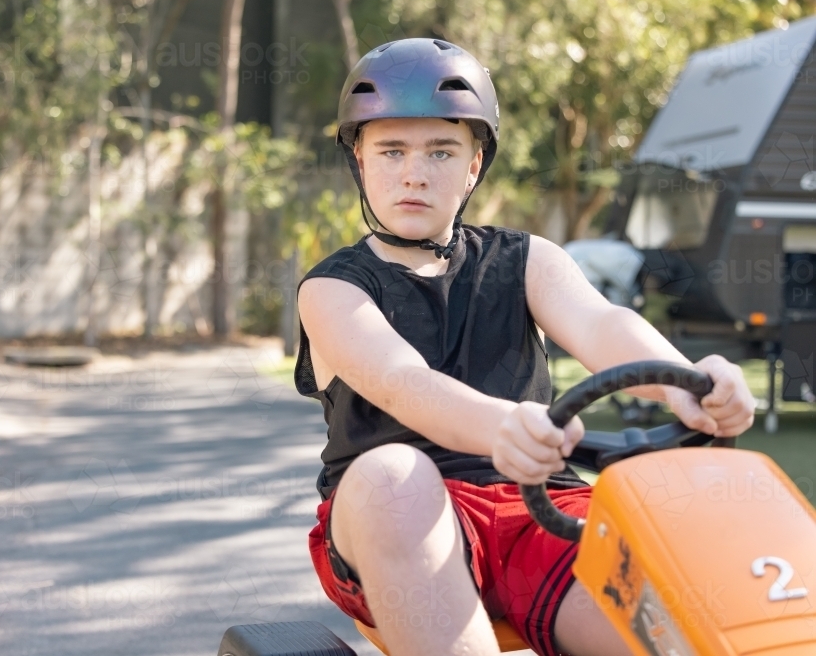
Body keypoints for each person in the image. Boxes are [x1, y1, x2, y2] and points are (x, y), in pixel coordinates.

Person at [293, 38, 756, 656]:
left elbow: (603, 325)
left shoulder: (527, 259)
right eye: (392, 150)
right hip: (394, 526)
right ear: (359, 159)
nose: (414, 171)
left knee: (668, 602)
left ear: (474, 165)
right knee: (394, 477)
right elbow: (405, 382)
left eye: (441, 151)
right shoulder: (334, 289)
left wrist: (689, 382)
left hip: (535, 508)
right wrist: (504, 423)